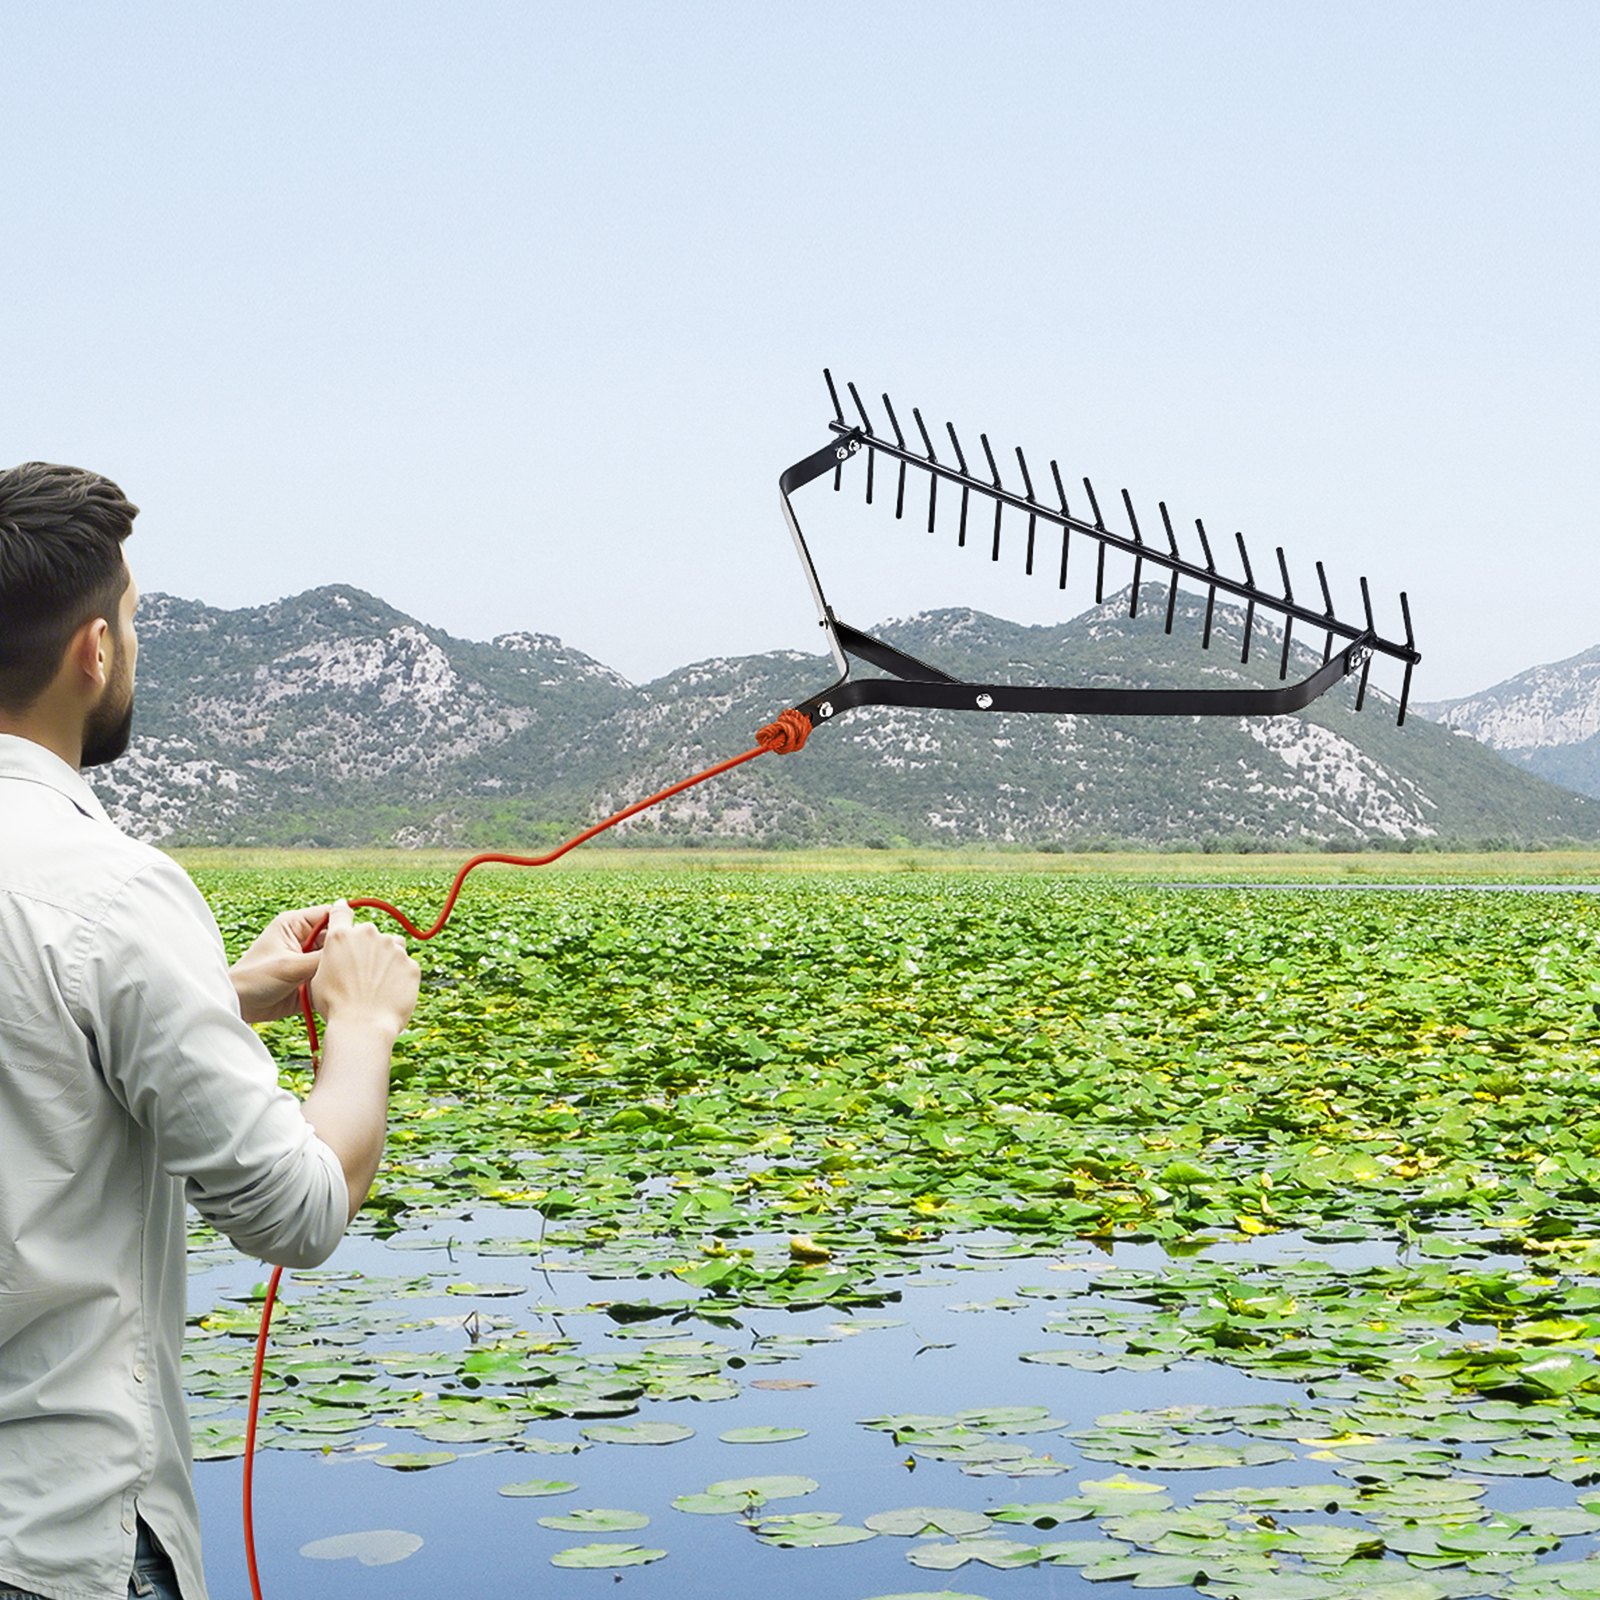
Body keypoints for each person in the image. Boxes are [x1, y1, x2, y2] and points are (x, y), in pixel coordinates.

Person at [0, 462, 421, 1600]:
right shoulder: (109, 888)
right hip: (54, 1542)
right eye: (131, 621)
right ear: (93, 651)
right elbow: (296, 1206)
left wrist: (214, 992)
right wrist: (362, 1026)